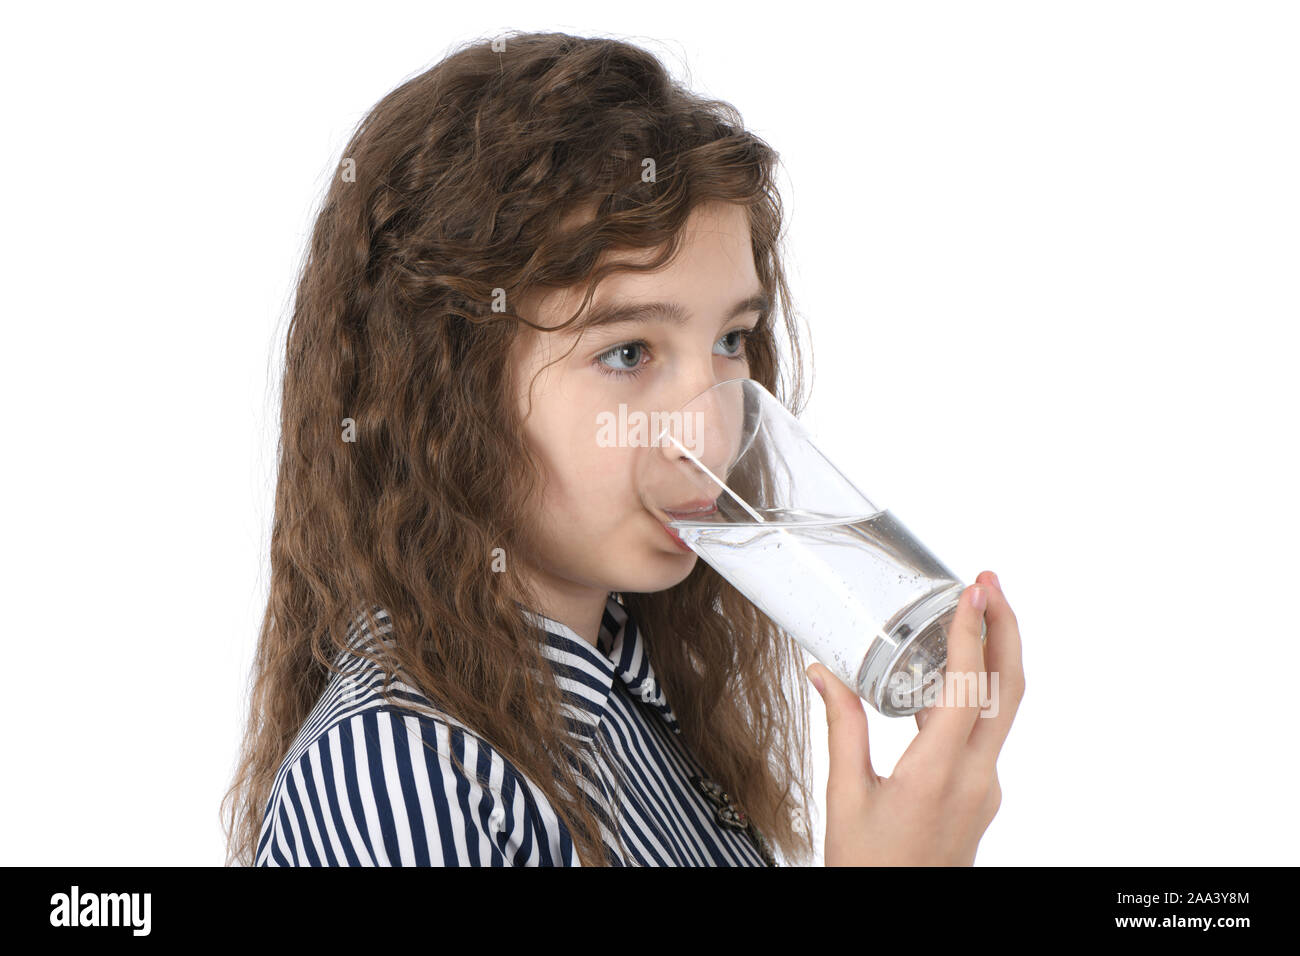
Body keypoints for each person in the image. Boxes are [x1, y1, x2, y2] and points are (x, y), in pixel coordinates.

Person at [222, 31, 1023, 867]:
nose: (713, 434)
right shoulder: (398, 777)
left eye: (731, 340)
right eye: (628, 353)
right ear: (442, 389)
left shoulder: (638, 704)